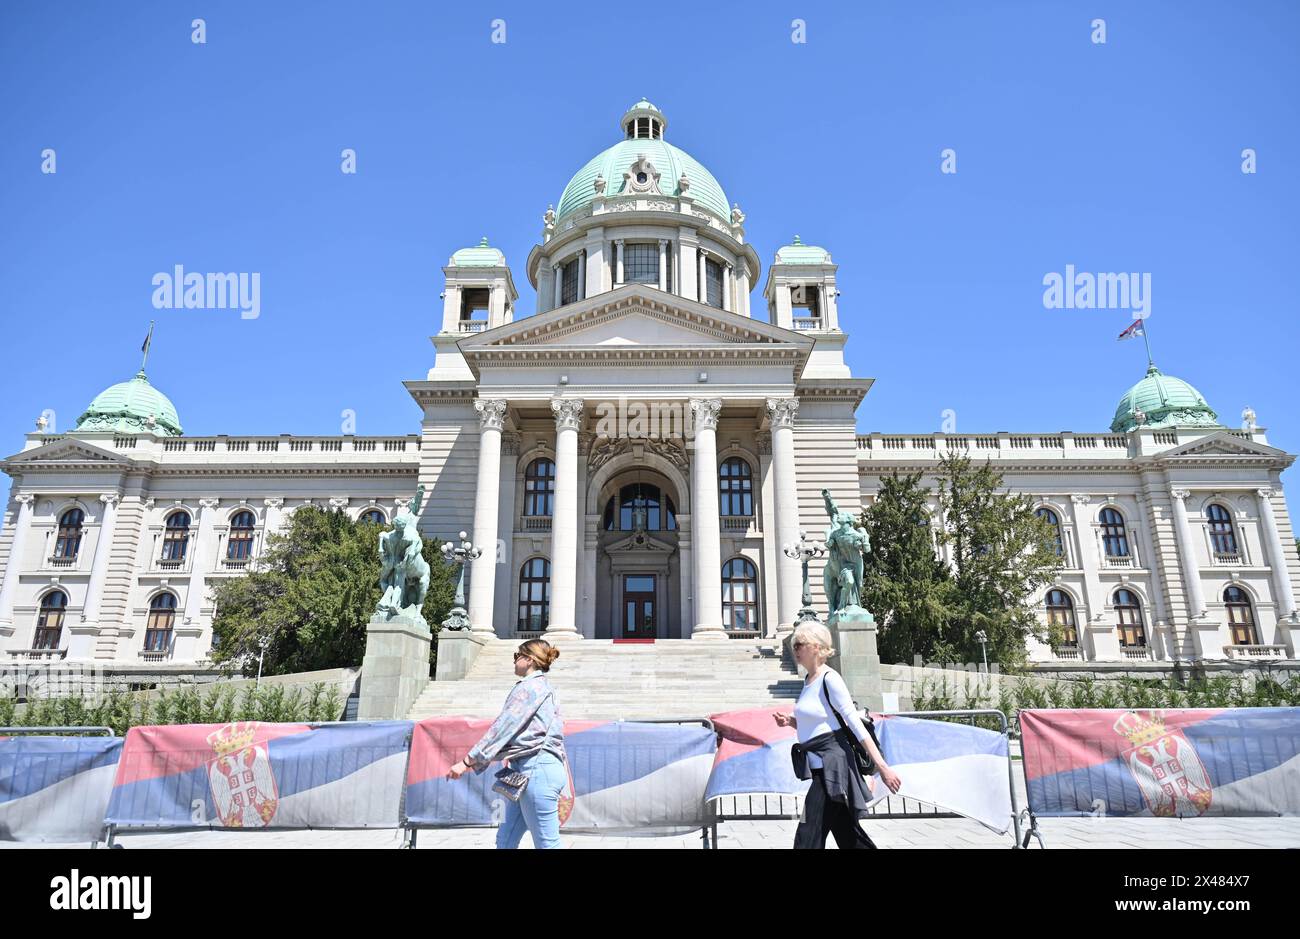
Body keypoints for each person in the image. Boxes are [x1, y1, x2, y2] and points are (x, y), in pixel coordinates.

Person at [774, 621, 902, 849]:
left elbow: (855, 724)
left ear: (815, 647)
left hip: (832, 769)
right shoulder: (808, 680)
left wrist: (882, 767)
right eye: (794, 645)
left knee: (806, 835)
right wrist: (793, 722)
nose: (795, 650)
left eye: (799, 644)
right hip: (820, 767)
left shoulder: (829, 679)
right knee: (848, 835)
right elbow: (821, 722)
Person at [446, 638, 568, 849]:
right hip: (530, 771)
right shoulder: (544, 687)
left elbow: (502, 728)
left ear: (528, 659)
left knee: (548, 844)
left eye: (516, 656)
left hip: (536, 770)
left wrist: (466, 762)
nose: (514, 661)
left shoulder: (529, 688)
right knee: (506, 840)